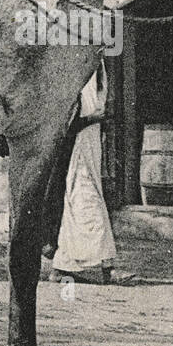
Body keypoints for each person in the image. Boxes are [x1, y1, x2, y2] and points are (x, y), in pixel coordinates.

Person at [45, 65, 134, 285]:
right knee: (86, 201)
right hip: (77, 146)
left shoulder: (98, 69)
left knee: (83, 204)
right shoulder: (78, 72)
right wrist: (93, 119)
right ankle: (108, 269)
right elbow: (65, 120)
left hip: (92, 143)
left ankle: (62, 265)